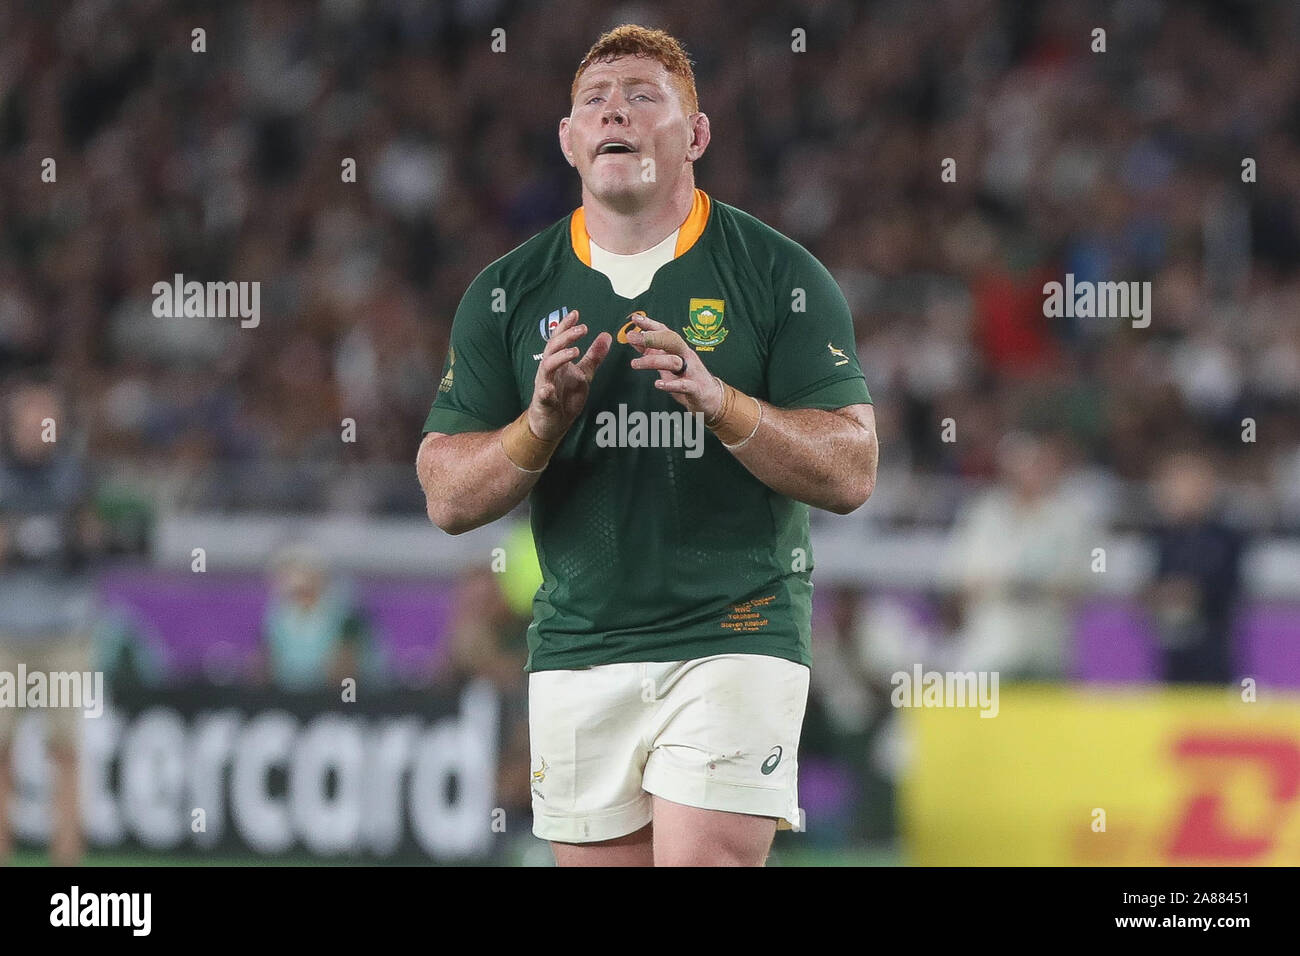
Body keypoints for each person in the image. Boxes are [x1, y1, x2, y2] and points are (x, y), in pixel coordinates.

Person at [416, 25, 877, 867]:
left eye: (640, 94)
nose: (613, 111)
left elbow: (852, 468)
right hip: (579, 647)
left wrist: (722, 402)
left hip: (737, 631)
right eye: (593, 100)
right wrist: (539, 425)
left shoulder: (780, 276)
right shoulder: (506, 293)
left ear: (695, 135)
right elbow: (446, 495)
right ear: (568, 140)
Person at [0, 379, 98, 866]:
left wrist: (26, 540)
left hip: (63, 631)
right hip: (5, 633)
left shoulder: (76, 477)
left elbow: (98, 537)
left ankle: (67, 862)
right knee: (0, 746)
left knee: (64, 748)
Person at [1146, 448, 1244, 684]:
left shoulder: (1225, 538)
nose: (1175, 492)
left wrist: (1185, 592)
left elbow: (1220, 588)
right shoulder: (1162, 538)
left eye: (1184, 484)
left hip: (1211, 657)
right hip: (1168, 656)